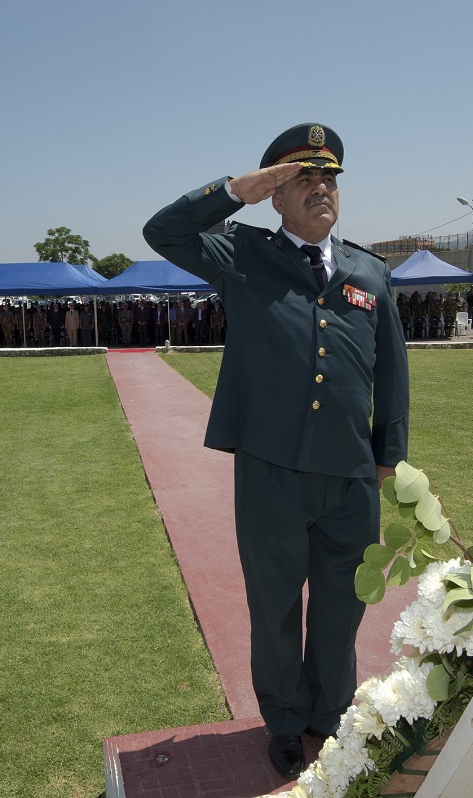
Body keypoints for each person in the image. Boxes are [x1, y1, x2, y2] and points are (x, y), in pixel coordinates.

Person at [142, 123, 410, 778]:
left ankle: (331, 717)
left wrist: (388, 454)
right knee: (276, 610)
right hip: (272, 475)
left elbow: (393, 371)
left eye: (329, 177)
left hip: (350, 479)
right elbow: (163, 232)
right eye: (303, 177)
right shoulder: (242, 255)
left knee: (343, 610)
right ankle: (287, 723)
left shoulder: (369, 272)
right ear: (276, 192)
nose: (321, 187)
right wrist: (237, 190)